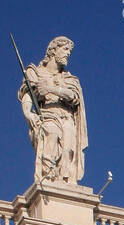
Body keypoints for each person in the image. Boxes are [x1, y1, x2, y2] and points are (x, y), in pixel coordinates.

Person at [18, 36, 87, 185]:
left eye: (70, 51)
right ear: (53, 50)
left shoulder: (70, 78)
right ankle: (48, 179)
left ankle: (64, 184)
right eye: (65, 49)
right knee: (52, 135)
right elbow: (28, 95)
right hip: (47, 114)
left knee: (68, 151)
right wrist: (28, 113)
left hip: (67, 117)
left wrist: (51, 89)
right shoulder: (35, 72)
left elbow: (73, 96)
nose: (68, 53)